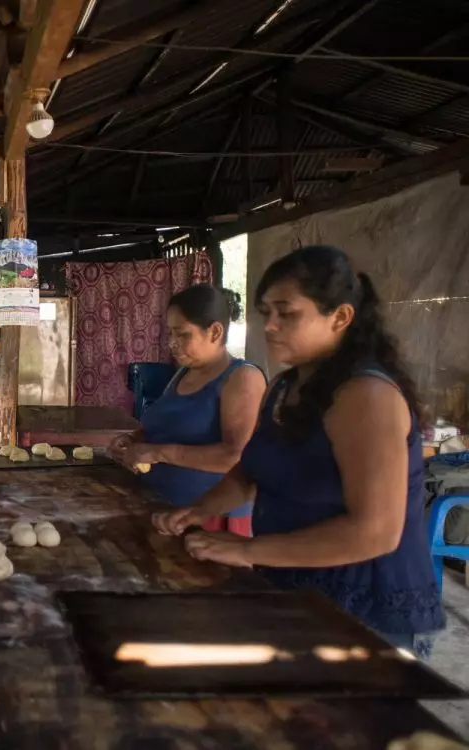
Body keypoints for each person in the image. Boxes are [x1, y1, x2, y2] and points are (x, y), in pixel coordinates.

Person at [154, 245, 444, 656]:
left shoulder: (366, 396)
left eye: (286, 313)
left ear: (340, 317)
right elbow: (249, 472)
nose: (270, 326)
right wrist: (201, 510)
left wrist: (247, 549)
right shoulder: (283, 388)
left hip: (366, 607)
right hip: (294, 581)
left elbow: (375, 532)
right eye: (265, 312)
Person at [110, 285, 266, 535]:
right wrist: (132, 442)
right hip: (163, 510)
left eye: (182, 334)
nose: (172, 343)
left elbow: (236, 456)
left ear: (215, 332)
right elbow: (163, 427)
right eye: (170, 333)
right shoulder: (183, 373)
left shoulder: (241, 378)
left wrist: (158, 453)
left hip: (211, 521)